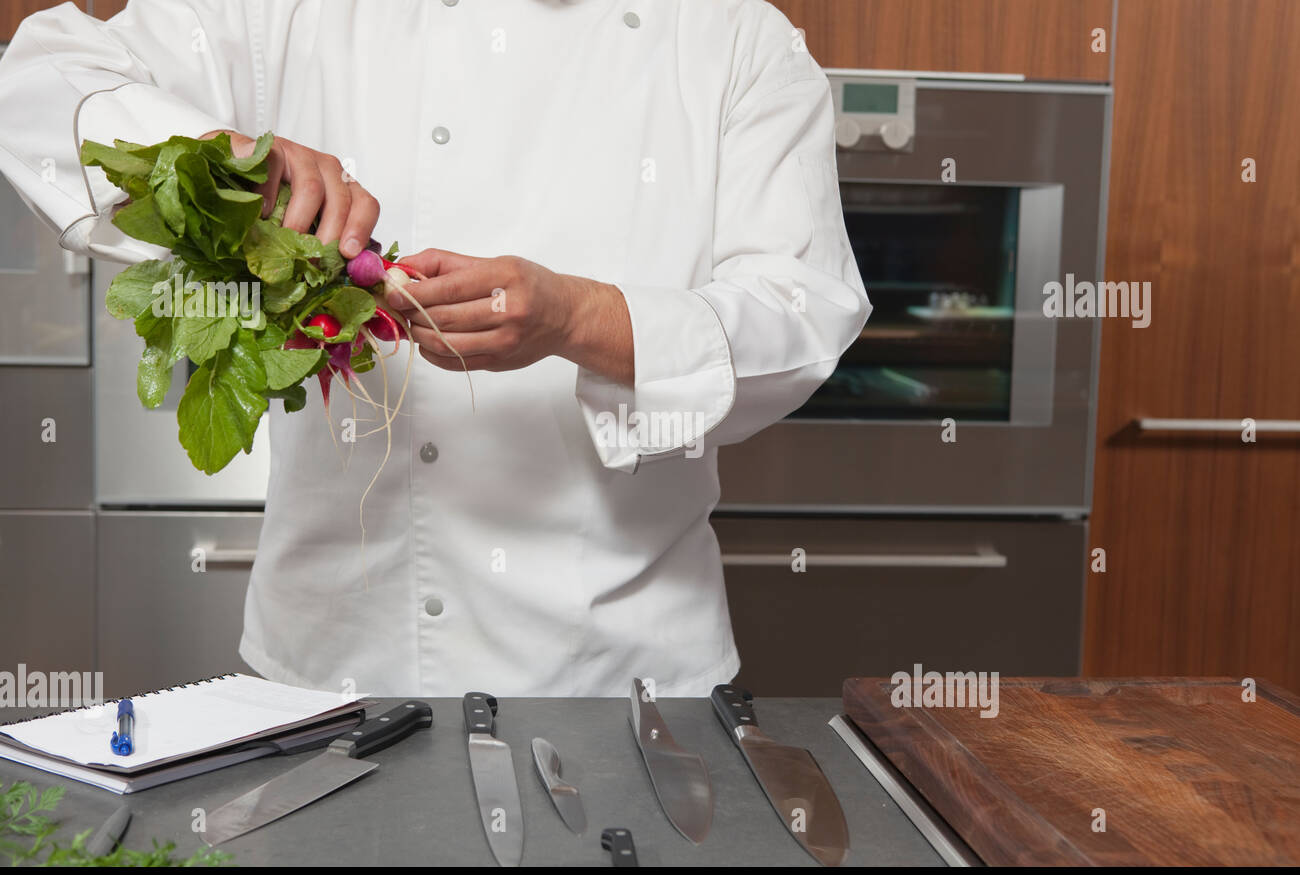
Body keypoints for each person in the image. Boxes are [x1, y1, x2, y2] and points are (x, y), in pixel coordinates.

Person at [0, 0, 869, 697]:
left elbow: (802, 314)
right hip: (332, 669)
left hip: (617, 678)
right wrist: (202, 158)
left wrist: (579, 316)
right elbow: (39, 83)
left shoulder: (734, 36)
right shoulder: (279, 14)